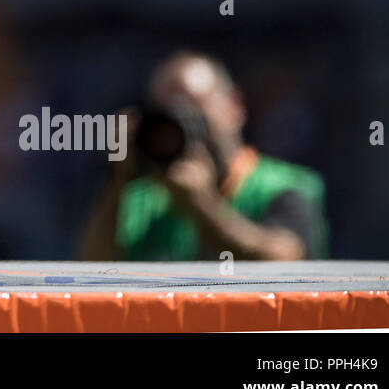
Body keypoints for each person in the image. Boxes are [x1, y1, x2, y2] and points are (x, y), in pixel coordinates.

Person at [77, 50, 328, 262]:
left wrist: (202, 206)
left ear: (234, 106)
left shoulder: (282, 186)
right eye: (166, 113)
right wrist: (118, 180)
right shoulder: (144, 200)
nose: (180, 126)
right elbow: (93, 271)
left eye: (193, 106)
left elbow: (285, 261)